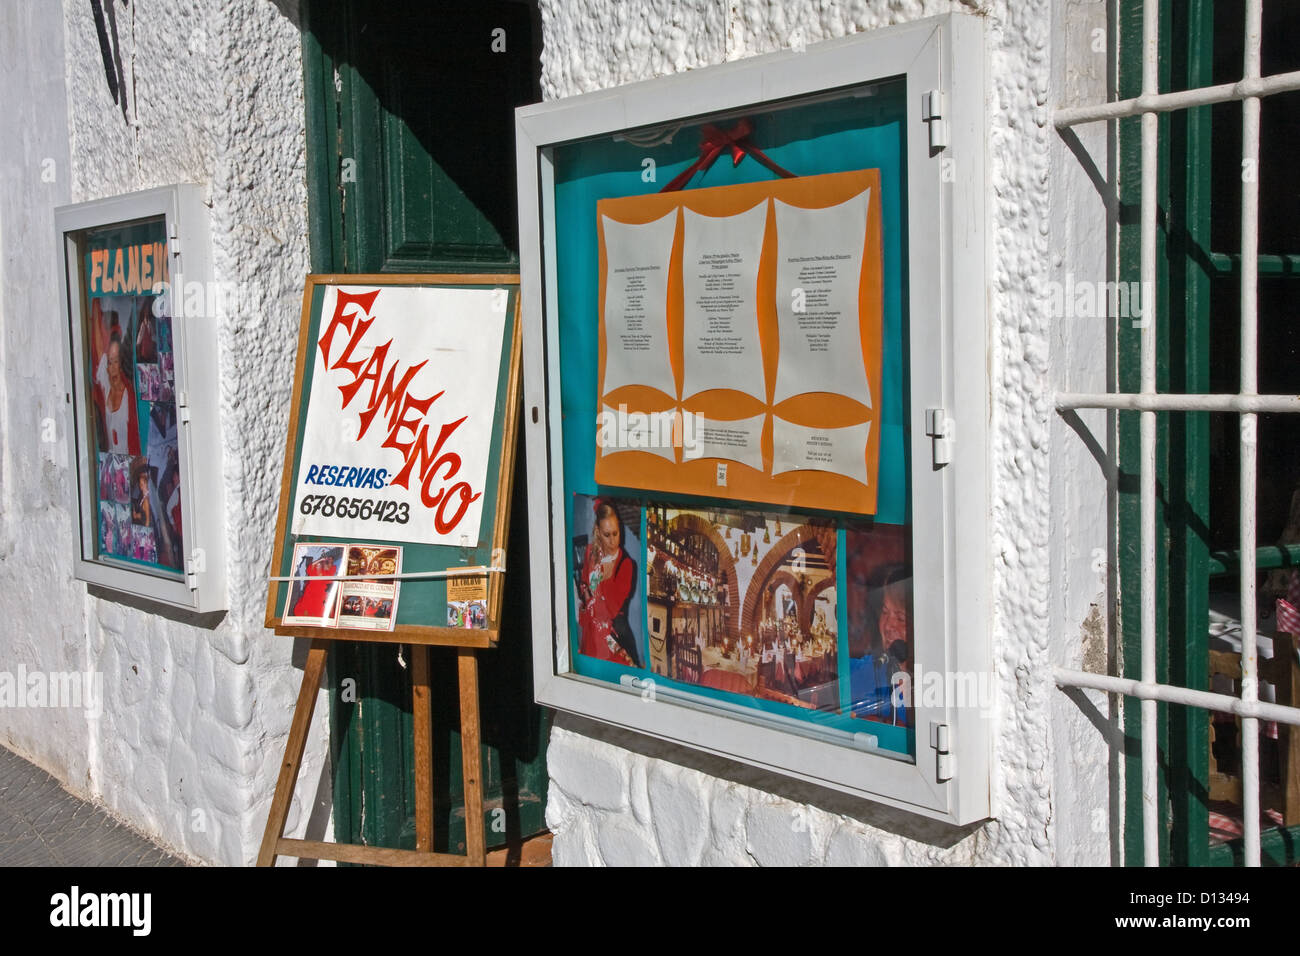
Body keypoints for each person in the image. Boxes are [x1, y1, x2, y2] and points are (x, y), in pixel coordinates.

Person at [577, 500, 640, 666]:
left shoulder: (626, 564)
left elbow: (612, 609)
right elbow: (583, 584)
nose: (613, 541)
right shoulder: (590, 552)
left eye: (616, 533)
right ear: (598, 531)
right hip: (590, 635)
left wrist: (607, 575)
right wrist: (586, 600)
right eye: (607, 535)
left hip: (614, 640)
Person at [848, 563, 912, 720]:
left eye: (900, 618)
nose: (888, 626)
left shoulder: (936, 681)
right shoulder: (875, 667)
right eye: (885, 612)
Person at [92, 320, 141, 457]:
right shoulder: (105, 386)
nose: (113, 368)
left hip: (128, 467)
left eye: (116, 361)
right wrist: (95, 301)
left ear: (121, 363)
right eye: (109, 362)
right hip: (109, 465)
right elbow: (98, 344)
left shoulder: (129, 398)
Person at [293, 550, 340, 619]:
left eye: (331, 562)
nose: (329, 563)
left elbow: (331, 572)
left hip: (319, 593)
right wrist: (320, 560)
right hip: (310, 591)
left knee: (316, 609)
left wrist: (326, 562)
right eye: (328, 561)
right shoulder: (316, 569)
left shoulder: (329, 573)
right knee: (306, 606)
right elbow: (310, 567)